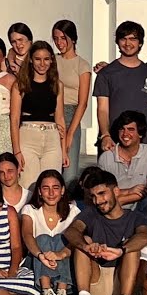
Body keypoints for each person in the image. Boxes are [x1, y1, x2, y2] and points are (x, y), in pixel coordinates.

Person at [63, 168, 147, 295]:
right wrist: (87, 246)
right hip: (96, 280)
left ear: (116, 191)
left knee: (133, 247)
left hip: (123, 283)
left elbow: (144, 236)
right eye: (94, 196)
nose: (98, 201)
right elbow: (71, 231)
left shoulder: (135, 217)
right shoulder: (91, 214)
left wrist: (121, 251)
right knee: (83, 241)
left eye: (102, 194)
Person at [93, 20, 147, 150]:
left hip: (142, 143)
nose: (128, 43)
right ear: (118, 42)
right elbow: (102, 109)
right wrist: (105, 135)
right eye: (123, 39)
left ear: (140, 43)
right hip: (112, 142)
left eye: (133, 39)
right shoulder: (106, 74)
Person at [11, 40, 66, 190]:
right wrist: (17, 151)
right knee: (29, 185)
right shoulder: (20, 84)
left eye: (46, 59)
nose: (42, 64)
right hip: (28, 137)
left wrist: (64, 150)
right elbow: (14, 119)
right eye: (38, 59)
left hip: (52, 138)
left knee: (52, 184)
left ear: (51, 60)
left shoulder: (57, 84)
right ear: (30, 60)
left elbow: (59, 117)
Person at [21, 169, 76, 295]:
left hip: (63, 262)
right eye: (46, 188)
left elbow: (76, 241)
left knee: (62, 239)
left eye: (55, 188)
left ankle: (62, 292)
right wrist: (41, 256)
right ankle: (46, 292)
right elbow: (27, 234)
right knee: (43, 238)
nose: (51, 193)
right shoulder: (30, 210)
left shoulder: (73, 211)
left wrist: (60, 254)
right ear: (39, 191)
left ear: (63, 190)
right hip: (36, 261)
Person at [97, 110, 147, 212]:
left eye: (131, 129)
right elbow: (102, 192)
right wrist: (129, 192)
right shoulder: (106, 157)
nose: (125, 134)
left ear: (140, 134)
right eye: (122, 129)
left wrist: (124, 198)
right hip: (112, 209)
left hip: (140, 206)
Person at [52, 20, 92, 178]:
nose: (59, 43)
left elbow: (83, 103)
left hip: (71, 115)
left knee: (69, 172)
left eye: (63, 38)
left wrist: (70, 134)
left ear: (73, 39)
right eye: (56, 38)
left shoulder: (82, 65)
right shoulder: (52, 60)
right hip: (52, 113)